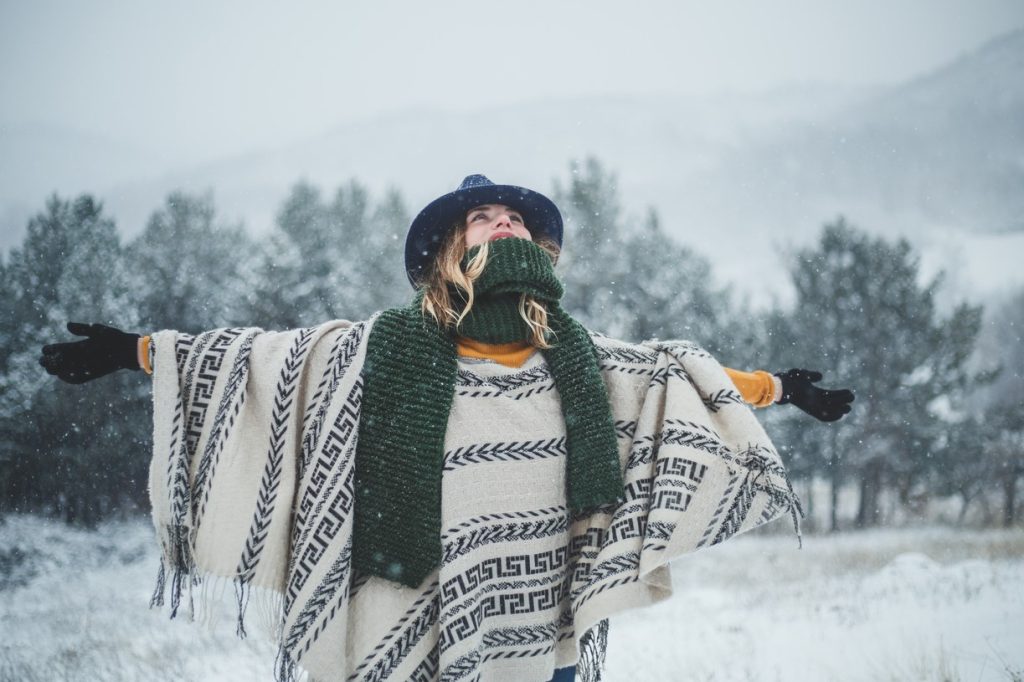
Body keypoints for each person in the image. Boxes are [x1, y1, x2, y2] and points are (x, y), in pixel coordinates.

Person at [39, 174, 853, 682]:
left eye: (512, 217)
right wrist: (136, 352)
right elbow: (260, 364)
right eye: (482, 217)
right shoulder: (380, 351)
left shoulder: (583, 359)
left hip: (543, 629)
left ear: (538, 246)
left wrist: (780, 388)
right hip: (412, 618)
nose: (500, 222)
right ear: (447, 252)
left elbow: (681, 376)